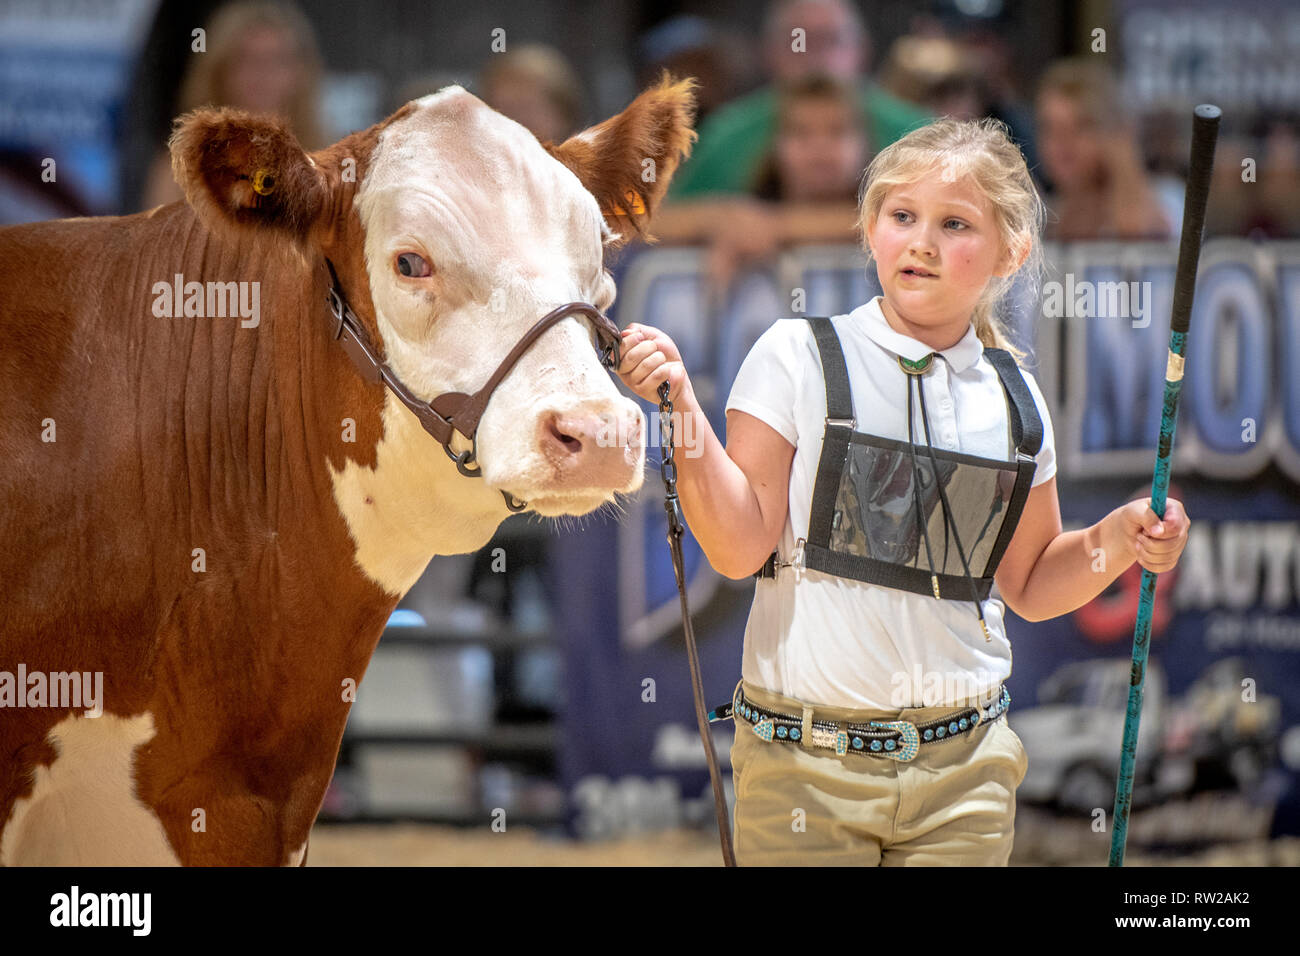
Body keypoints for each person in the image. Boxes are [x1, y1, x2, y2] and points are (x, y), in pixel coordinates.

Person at [617, 117, 1191, 865]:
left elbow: (1029, 583)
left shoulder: (1017, 401)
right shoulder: (799, 356)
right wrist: (683, 409)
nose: (921, 241)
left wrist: (1115, 541)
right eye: (902, 217)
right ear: (871, 230)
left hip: (969, 771)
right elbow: (736, 547)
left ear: (1010, 252)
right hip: (805, 773)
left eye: (954, 224)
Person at [667, 0, 930, 200]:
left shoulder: (918, 133)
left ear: (861, 50)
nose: (813, 55)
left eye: (830, 39)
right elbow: (669, 220)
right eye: (798, 40)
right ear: (769, 53)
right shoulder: (726, 135)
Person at [650, 74, 868, 290]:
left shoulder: (884, 211)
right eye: (801, 132)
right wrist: (716, 218)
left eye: (837, 131)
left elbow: (877, 222)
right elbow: (647, 225)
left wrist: (774, 227)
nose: (820, 147)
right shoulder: (749, 209)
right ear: (776, 147)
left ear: (864, 144)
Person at [141, 0, 325, 210]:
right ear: (220, 72)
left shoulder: (327, 165)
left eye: (277, 60)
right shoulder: (181, 169)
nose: (263, 75)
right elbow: (163, 239)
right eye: (248, 59)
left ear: (300, 72)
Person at [1035, 58, 1175, 241]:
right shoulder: (1044, 214)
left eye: (1081, 127)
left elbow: (1137, 231)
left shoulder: (1167, 197)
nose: (1062, 142)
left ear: (1114, 132)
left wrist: (1123, 159)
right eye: (1050, 128)